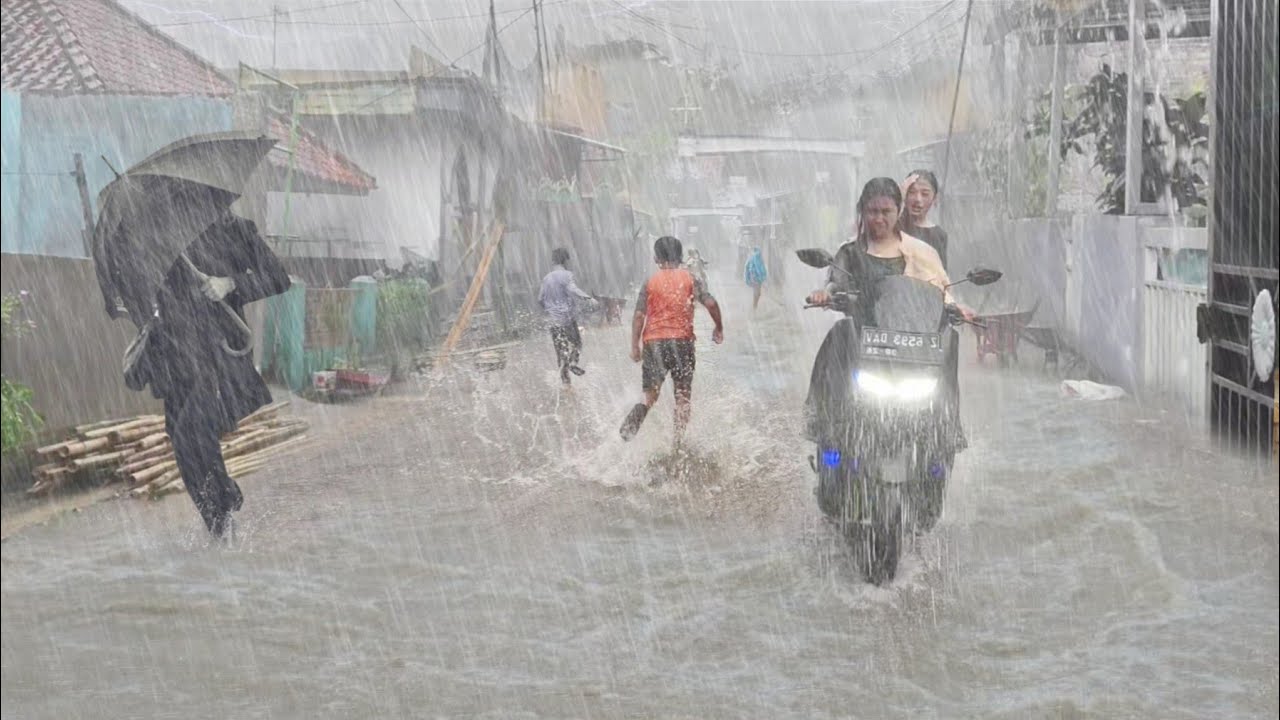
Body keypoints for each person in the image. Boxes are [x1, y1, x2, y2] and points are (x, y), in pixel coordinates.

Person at [124, 212, 290, 538]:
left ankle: (224, 505)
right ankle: (215, 520)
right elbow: (150, 293)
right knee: (182, 443)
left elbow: (277, 277)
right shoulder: (162, 234)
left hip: (218, 358)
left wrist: (230, 283)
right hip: (175, 362)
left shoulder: (236, 230)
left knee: (193, 432)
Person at [620, 236, 724, 442]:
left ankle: (642, 408)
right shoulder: (691, 279)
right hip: (682, 343)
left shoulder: (650, 282)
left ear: (656, 258)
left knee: (650, 395)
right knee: (682, 397)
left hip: (654, 343)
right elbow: (711, 304)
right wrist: (718, 327)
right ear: (680, 256)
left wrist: (635, 346)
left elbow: (639, 316)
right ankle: (678, 443)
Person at [538, 247, 595, 386]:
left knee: (560, 353)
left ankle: (566, 386)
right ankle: (573, 362)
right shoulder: (567, 275)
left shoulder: (546, 278)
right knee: (577, 344)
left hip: (553, 322)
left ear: (553, 261)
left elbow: (540, 299)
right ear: (566, 260)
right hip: (567, 319)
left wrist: (550, 310)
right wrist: (589, 299)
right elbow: (573, 290)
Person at [900, 170, 949, 269]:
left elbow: (941, 275)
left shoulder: (939, 236)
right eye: (912, 192)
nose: (918, 199)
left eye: (925, 194)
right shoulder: (892, 226)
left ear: (935, 198)